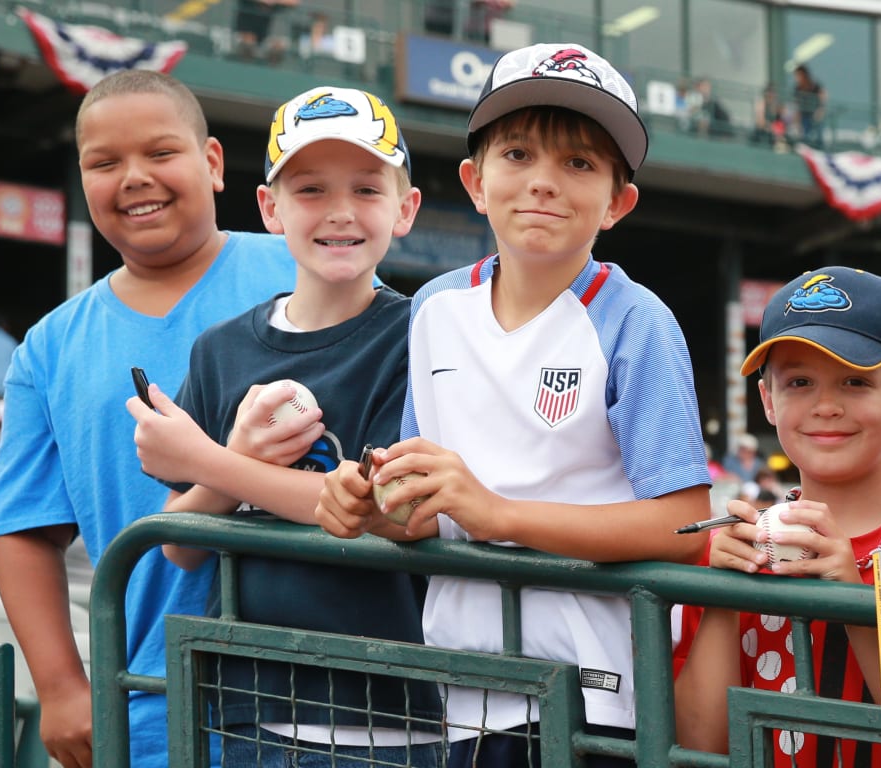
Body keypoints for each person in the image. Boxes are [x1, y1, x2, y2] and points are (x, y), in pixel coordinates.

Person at [314, 42, 711, 768]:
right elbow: (422, 508)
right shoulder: (434, 307)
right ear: (474, 180)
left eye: (580, 164)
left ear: (619, 203)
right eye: (519, 154)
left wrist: (498, 515)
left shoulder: (636, 320)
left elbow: (685, 526)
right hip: (461, 683)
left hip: (592, 695)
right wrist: (375, 505)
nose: (544, 183)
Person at [0, 69, 296, 768]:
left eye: (159, 153)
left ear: (212, 164)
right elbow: (24, 532)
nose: (134, 178)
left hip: (326, 690)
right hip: (153, 702)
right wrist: (61, 686)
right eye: (104, 163)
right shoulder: (49, 346)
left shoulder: (308, 270)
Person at [126, 85, 442, 766]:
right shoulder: (221, 348)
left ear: (405, 208)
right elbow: (181, 545)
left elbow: (376, 506)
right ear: (270, 208)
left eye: (366, 189)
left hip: (385, 706)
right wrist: (233, 455)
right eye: (309, 190)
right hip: (246, 700)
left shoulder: (424, 334)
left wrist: (210, 460)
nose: (339, 213)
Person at [673, 267, 881, 767]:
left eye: (856, 381)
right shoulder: (735, 547)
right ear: (768, 400)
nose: (825, 406)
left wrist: (849, 596)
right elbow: (700, 744)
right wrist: (722, 597)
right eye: (800, 382)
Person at [792, 65, 827, 147]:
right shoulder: (798, 88)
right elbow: (797, 105)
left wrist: (820, 110)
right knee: (805, 136)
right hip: (804, 115)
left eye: (798, 75)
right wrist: (797, 121)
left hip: (815, 114)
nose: (796, 78)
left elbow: (823, 96)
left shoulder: (813, 85)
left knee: (818, 135)